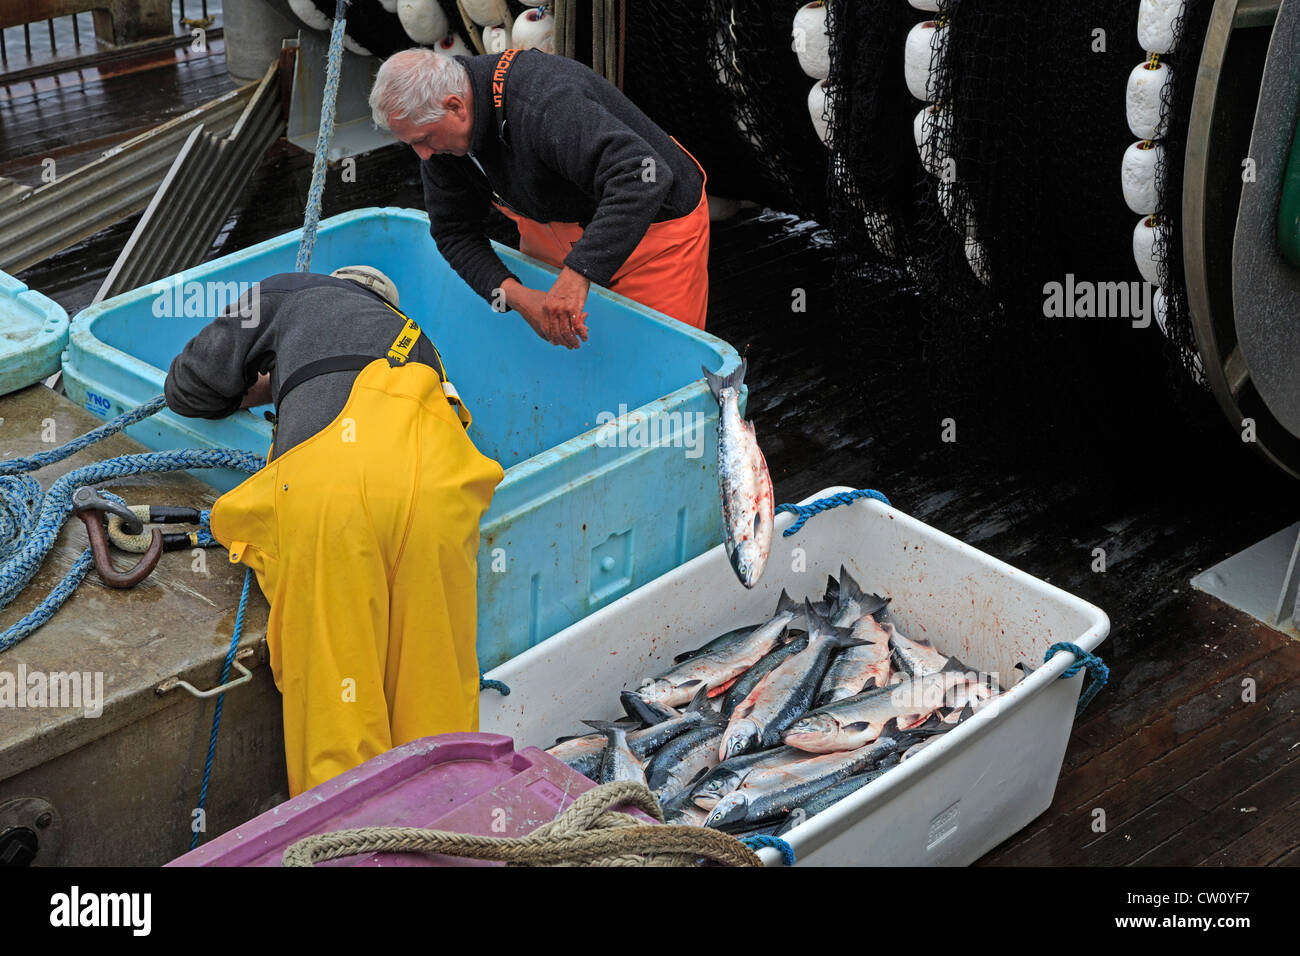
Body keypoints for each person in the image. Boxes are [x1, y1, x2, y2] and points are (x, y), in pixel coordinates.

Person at [164, 266, 504, 797]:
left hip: (338, 491)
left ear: (335, 281)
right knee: (434, 691)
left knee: (339, 707)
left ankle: (352, 843)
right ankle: (451, 829)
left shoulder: (291, 289)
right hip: (442, 498)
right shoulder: (422, 347)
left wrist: (262, 387)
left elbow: (187, 386)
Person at [368, 47, 711, 349]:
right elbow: (453, 231)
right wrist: (518, 298)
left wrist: (578, 273)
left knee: (660, 362)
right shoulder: (440, 143)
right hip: (554, 223)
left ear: (456, 106)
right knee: (572, 356)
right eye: (411, 143)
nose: (423, 155)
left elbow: (641, 174)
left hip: (653, 228)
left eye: (425, 139)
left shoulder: (544, 103)